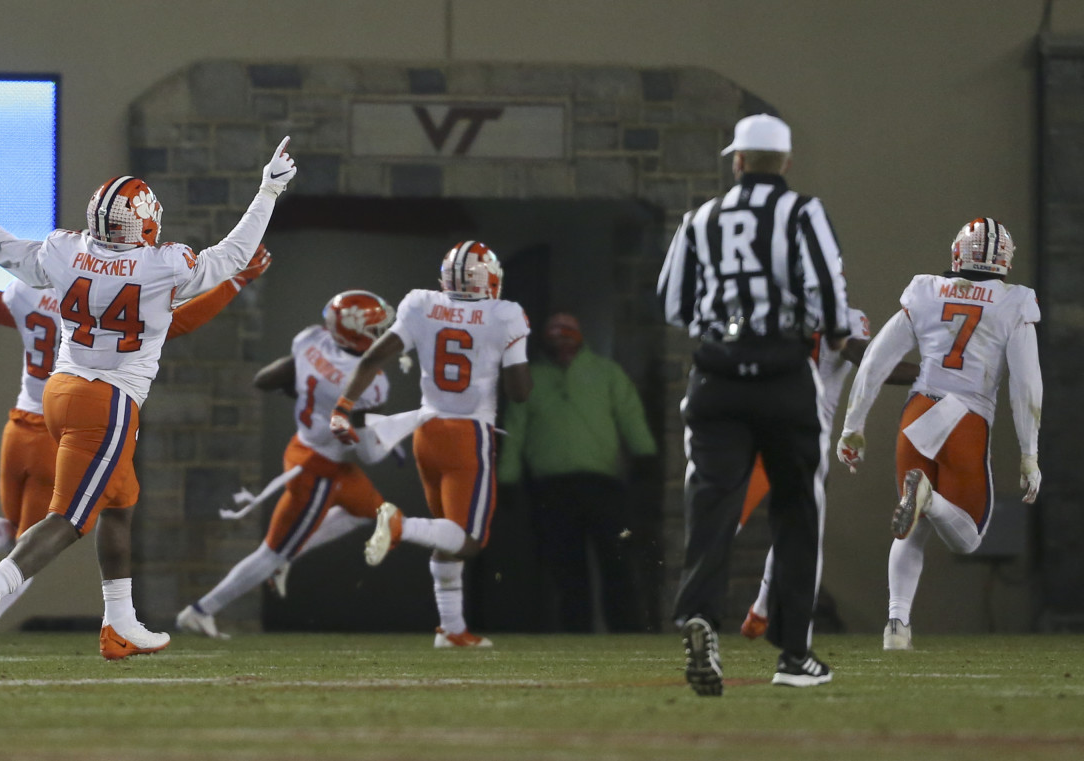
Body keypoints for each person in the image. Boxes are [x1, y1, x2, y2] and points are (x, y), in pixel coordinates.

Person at [0, 135, 297, 659]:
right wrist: (268, 190)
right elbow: (234, 254)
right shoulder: (165, 264)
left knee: (121, 505)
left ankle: (120, 623)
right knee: (69, 519)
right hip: (108, 403)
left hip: (59, 391)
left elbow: (2, 248)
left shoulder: (65, 250)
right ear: (143, 224)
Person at [656, 113, 849, 694]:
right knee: (796, 511)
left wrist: (721, 328)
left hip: (716, 377)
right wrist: (822, 329)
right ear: (785, 162)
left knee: (711, 505)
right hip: (782, 374)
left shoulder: (700, 219)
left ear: (737, 161)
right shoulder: (801, 211)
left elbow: (673, 303)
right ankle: (793, 653)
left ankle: (699, 614)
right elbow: (830, 296)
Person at [836, 217, 1042, 651]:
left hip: (917, 413)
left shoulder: (927, 291)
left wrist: (853, 426)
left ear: (957, 253)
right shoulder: (1013, 302)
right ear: (1005, 260)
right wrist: (1029, 452)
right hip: (965, 417)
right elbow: (1026, 385)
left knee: (911, 529)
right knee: (967, 538)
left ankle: (896, 626)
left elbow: (875, 360)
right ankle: (928, 498)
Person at [330, 241, 532, 648]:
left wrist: (342, 408)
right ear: (489, 279)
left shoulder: (422, 305)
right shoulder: (505, 314)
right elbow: (520, 392)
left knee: (446, 537)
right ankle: (399, 525)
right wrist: (512, 346)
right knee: (469, 540)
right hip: (468, 435)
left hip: (427, 433)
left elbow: (371, 359)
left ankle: (452, 629)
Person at [176, 290, 398, 638]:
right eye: (378, 330)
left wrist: (310, 394)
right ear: (356, 334)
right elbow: (369, 450)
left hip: (311, 450)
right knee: (272, 552)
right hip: (318, 469)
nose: (386, 336)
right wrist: (390, 438)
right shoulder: (372, 383)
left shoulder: (310, 339)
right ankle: (201, 611)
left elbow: (266, 379)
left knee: (373, 512)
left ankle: (290, 555)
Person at [738, 309, 919, 639]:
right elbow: (868, 360)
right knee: (750, 522)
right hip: (769, 432)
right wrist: (932, 374)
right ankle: (755, 611)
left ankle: (763, 610)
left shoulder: (838, 317)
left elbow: (865, 358)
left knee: (795, 525)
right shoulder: (774, 307)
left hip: (792, 436)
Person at [496, 312, 657, 632]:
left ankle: (627, 633)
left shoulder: (606, 373)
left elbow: (629, 413)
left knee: (617, 562)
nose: (562, 344)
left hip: (603, 484)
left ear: (579, 338)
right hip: (551, 489)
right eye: (555, 337)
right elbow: (515, 430)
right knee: (566, 570)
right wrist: (507, 478)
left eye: (568, 336)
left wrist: (644, 452)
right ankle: (576, 635)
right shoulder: (531, 379)